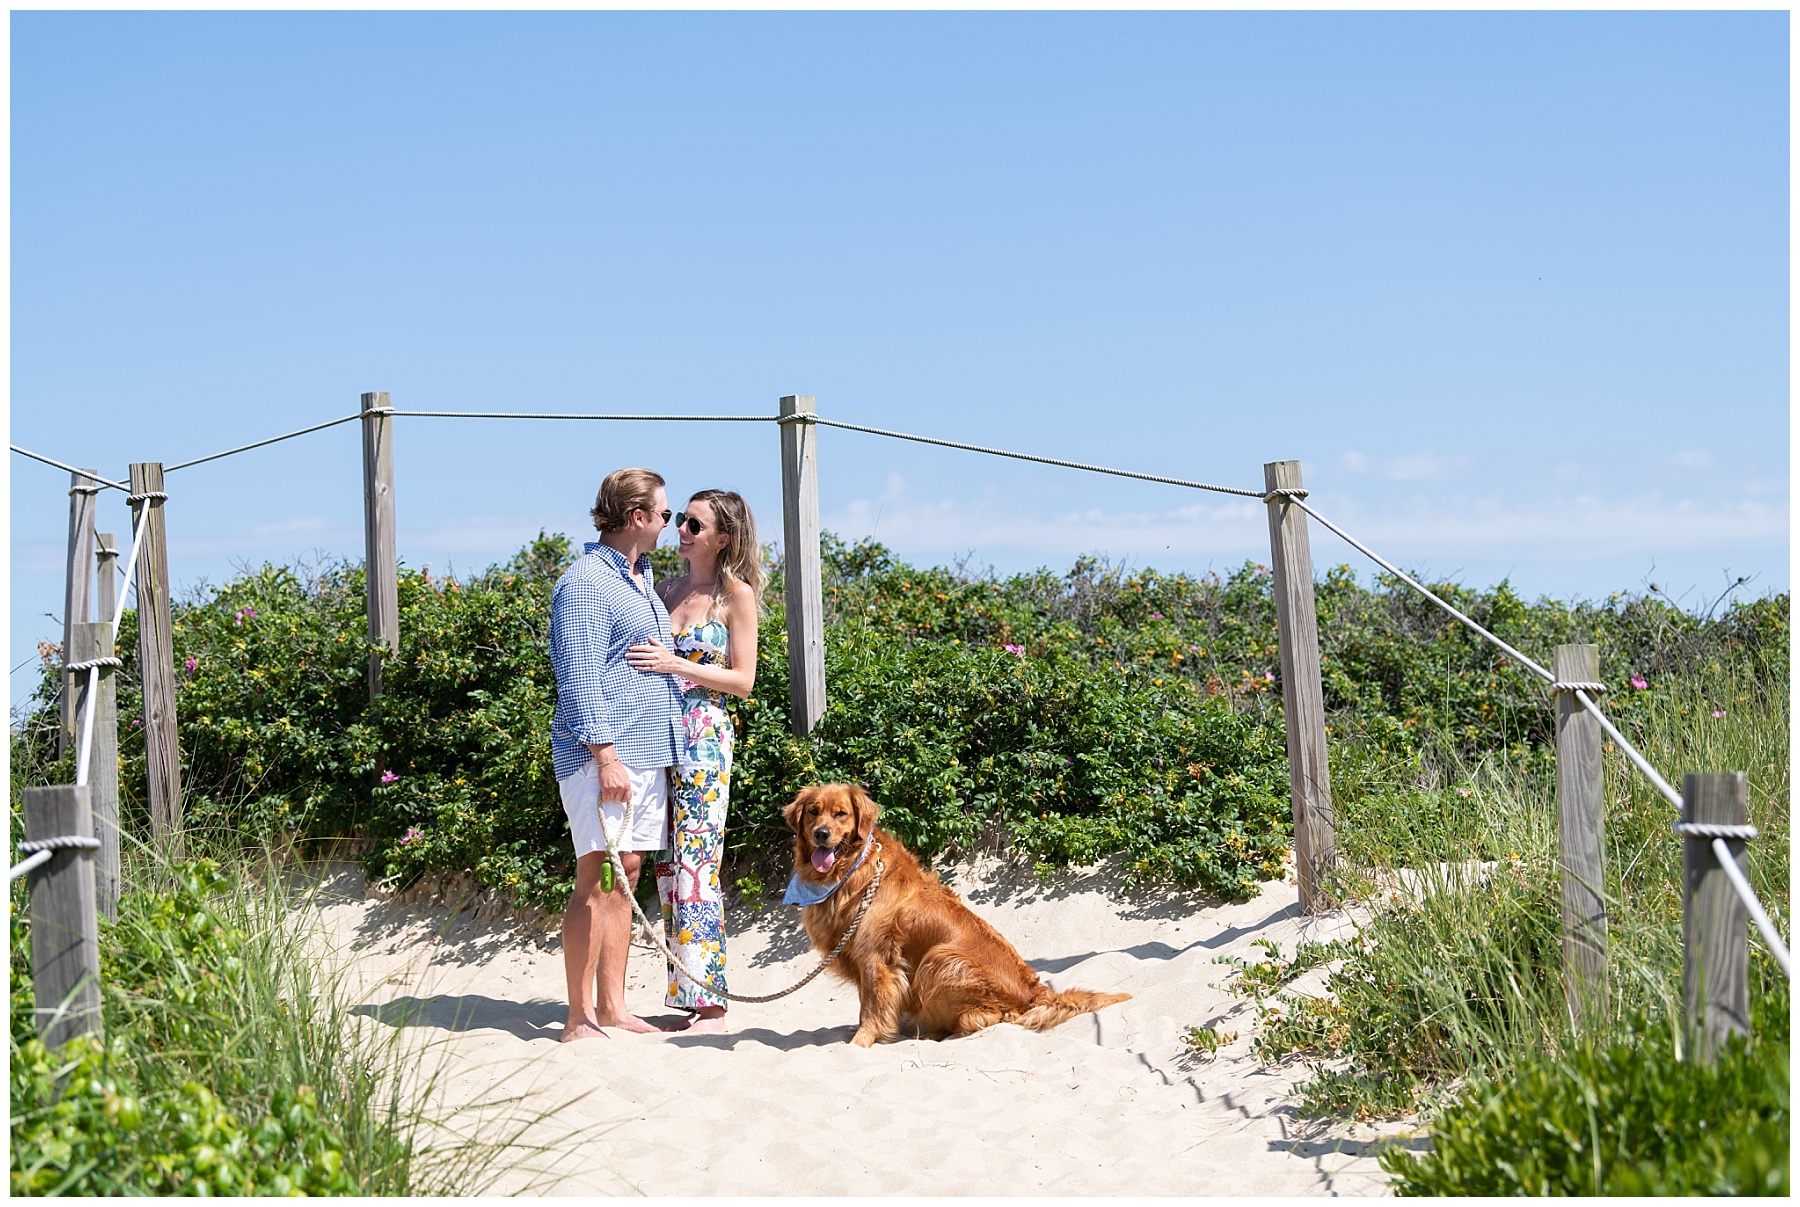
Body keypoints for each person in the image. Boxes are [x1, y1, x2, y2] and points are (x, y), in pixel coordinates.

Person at [549, 467, 685, 1042]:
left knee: (626, 873)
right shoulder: (586, 582)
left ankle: (614, 1007)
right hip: (604, 753)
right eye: (665, 514)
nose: (669, 524)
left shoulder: (640, 580)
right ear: (638, 518)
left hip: (646, 749)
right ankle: (579, 1017)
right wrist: (604, 755)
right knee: (597, 873)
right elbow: (578, 676)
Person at [626, 490, 762, 1034]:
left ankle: (712, 1003)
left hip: (705, 736)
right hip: (658, 733)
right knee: (666, 866)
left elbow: (744, 682)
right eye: (680, 519)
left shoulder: (736, 595)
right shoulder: (663, 588)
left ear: (723, 537)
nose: (680, 528)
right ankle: (686, 992)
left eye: (694, 524)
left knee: (698, 865)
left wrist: (675, 663)